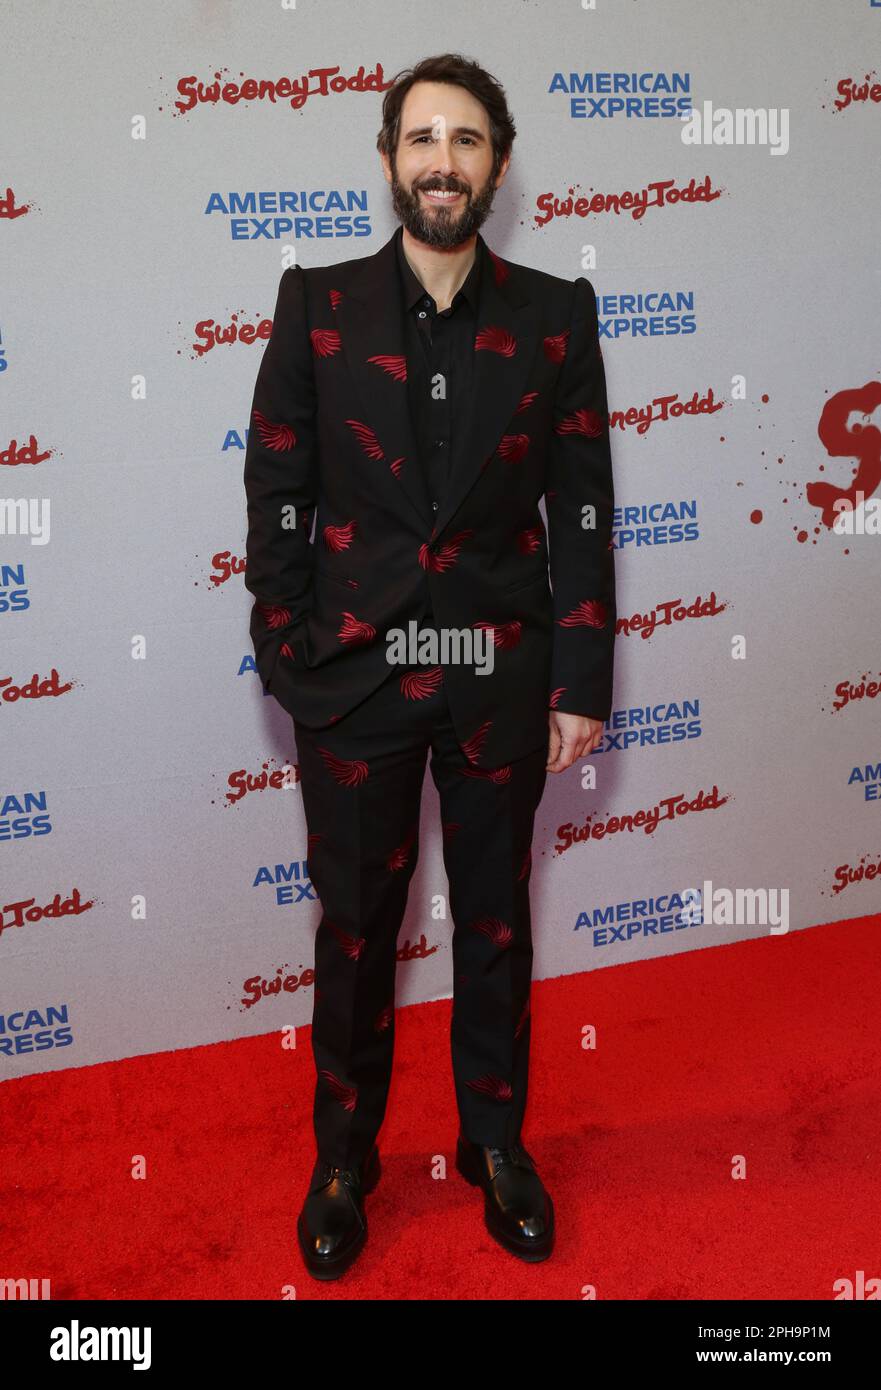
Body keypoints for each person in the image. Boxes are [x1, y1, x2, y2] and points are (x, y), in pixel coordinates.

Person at [243, 52, 616, 1280]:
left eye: (464, 140)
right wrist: (284, 648)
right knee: (356, 932)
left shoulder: (554, 315)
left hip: (498, 677)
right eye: (420, 139)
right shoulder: (316, 306)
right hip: (356, 677)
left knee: (495, 923)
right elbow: (278, 488)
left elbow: (580, 509)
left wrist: (577, 677)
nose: (441, 162)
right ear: (388, 160)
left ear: (496, 165)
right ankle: (342, 1161)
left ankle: (493, 1144)